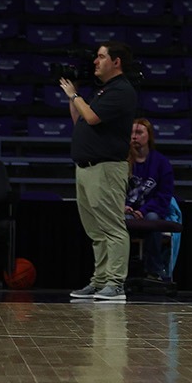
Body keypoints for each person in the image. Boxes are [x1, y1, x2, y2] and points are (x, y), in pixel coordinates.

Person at [62, 42, 139, 302]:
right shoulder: (104, 91)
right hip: (87, 168)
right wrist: (73, 97)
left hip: (106, 168)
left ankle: (116, 283)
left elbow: (92, 117)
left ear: (116, 62)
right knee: (95, 230)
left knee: (112, 227)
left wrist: (75, 96)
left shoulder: (122, 90)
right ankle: (100, 280)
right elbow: (81, 120)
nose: (96, 61)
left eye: (101, 56)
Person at [125, 117, 180, 283]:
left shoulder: (162, 163)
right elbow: (113, 189)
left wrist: (143, 210)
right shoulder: (122, 161)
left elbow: (164, 195)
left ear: (149, 136)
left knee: (153, 220)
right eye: (132, 133)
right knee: (120, 221)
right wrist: (124, 206)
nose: (134, 136)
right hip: (126, 211)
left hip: (150, 212)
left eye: (139, 132)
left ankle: (154, 271)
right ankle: (120, 271)